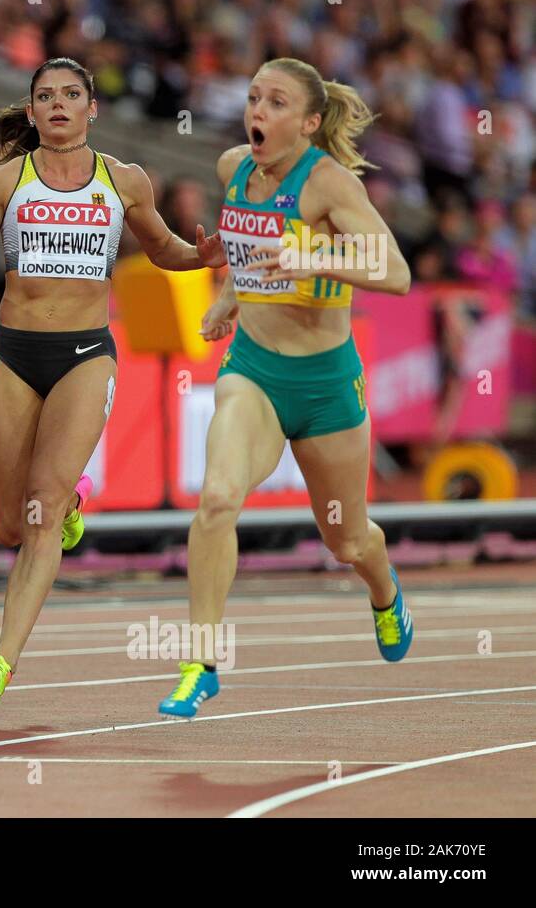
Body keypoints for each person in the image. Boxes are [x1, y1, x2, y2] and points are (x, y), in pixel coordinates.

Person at [0, 56, 226, 708]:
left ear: (92, 109)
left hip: (84, 354)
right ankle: (70, 509)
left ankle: (0, 662)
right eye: (45, 95)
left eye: (71, 94)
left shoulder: (123, 180)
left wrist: (200, 257)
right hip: (15, 353)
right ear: (31, 109)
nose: (58, 105)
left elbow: (160, 249)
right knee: (8, 524)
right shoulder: (3, 180)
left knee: (39, 508)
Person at [160, 57, 413, 718]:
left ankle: (384, 593)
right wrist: (227, 297)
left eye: (275, 103)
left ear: (308, 122)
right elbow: (244, 251)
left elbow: (395, 272)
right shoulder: (232, 170)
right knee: (216, 498)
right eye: (252, 99)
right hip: (255, 372)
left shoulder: (328, 185)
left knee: (347, 542)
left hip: (326, 383)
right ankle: (201, 662)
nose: (257, 113)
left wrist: (314, 256)